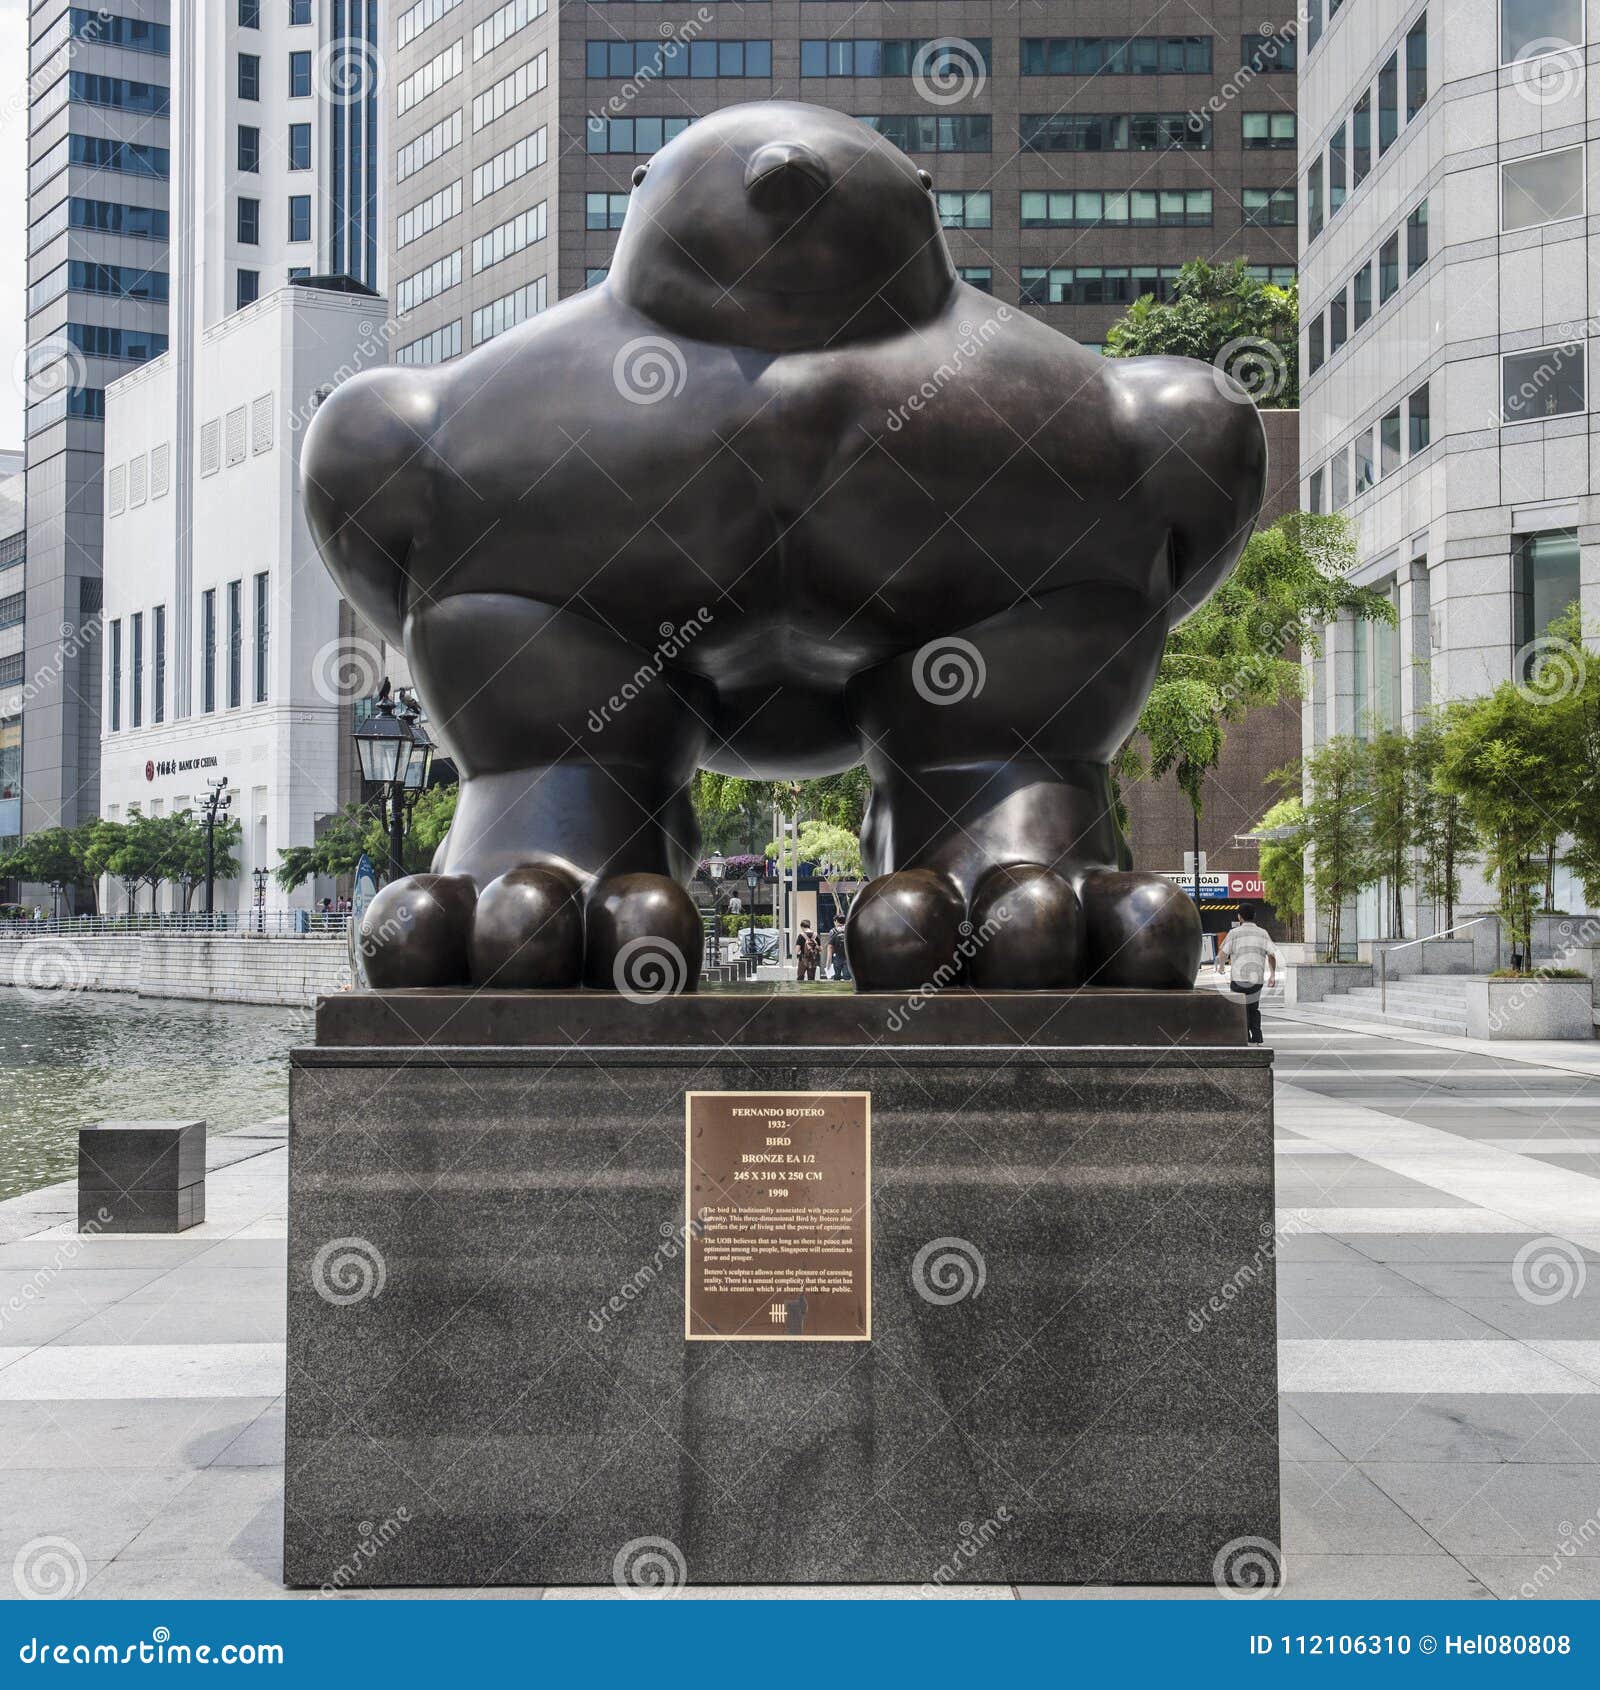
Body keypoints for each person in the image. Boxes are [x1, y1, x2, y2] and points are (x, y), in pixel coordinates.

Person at [1216, 904, 1277, 1045]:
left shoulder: (1234, 933)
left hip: (1238, 979)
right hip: (1256, 980)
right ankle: (1256, 1037)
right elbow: (1272, 955)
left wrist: (1221, 967)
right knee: (1253, 1007)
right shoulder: (1263, 933)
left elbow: (1223, 953)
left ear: (1239, 917)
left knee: (1239, 1008)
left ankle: (1241, 1036)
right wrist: (1272, 974)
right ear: (1254, 916)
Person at [829, 913, 851, 981]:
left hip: (837, 957)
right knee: (847, 978)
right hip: (848, 957)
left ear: (836, 921)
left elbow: (830, 947)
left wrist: (828, 961)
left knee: (836, 978)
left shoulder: (833, 931)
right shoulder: (849, 929)